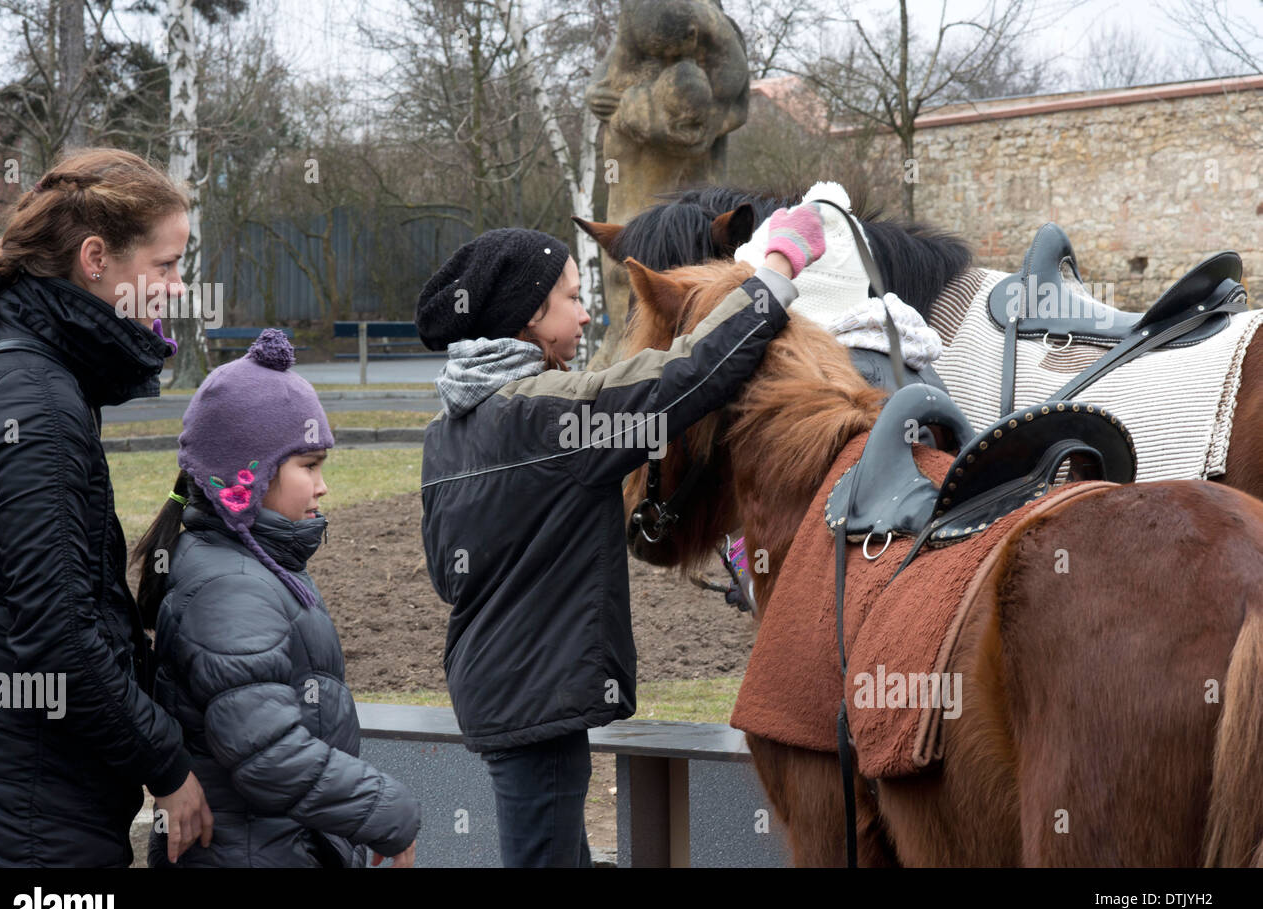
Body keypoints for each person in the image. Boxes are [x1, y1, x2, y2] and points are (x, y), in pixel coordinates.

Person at [417, 209, 831, 866]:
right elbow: (686, 376)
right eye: (572, 298)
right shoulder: (550, 414)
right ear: (527, 316)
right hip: (538, 700)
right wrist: (777, 268)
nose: (584, 317)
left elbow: (448, 574)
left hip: (494, 692)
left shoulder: (446, 431)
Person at [0, 147, 211, 866]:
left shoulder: (15, 366)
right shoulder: (37, 399)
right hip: (32, 810)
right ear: (95, 257)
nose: (178, 285)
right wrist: (167, 766)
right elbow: (59, 637)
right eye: (165, 265)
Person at [134, 329, 421, 867]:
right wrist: (385, 812)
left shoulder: (256, 562)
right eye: (308, 466)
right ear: (250, 479)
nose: (322, 486)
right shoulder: (230, 588)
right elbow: (268, 754)